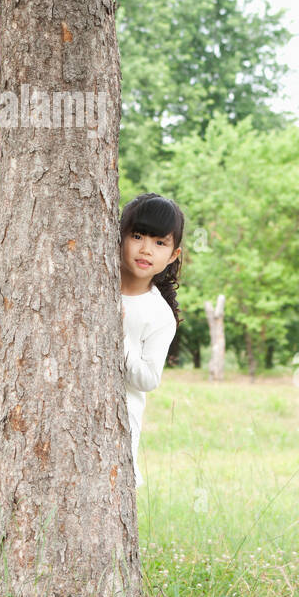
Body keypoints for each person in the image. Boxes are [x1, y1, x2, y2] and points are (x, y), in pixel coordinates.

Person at [120, 193, 184, 488]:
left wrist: (116, 334)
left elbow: (147, 379)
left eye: (160, 243)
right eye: (137, 236)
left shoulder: (159, 315)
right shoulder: (90, 283)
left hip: (118, 423)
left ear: (173, 255)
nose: (146, 249)